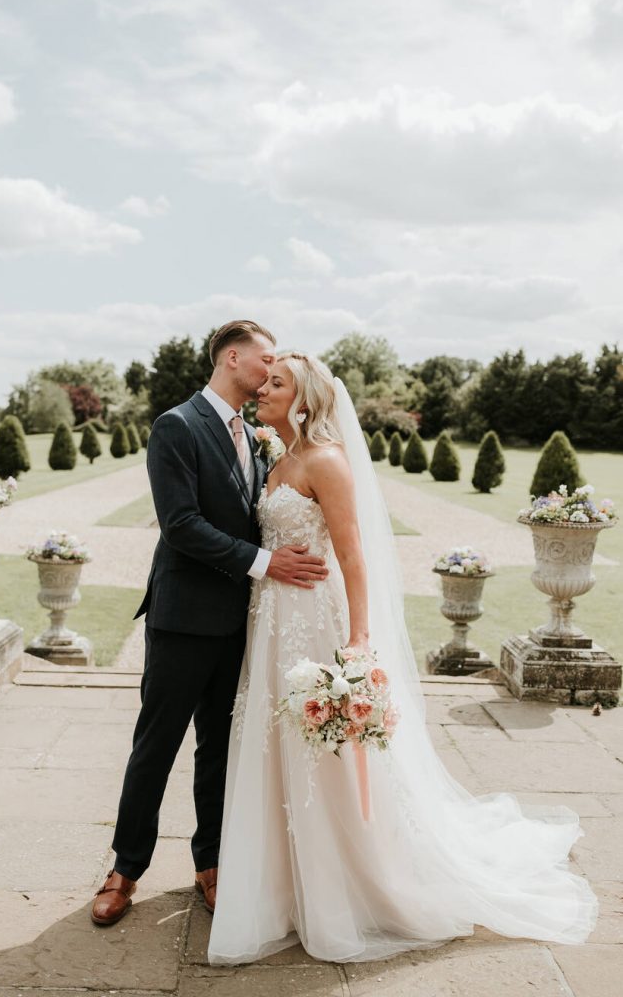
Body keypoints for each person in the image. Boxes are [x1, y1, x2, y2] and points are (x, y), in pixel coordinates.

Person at [208, 352, 598, 964]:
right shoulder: (280, 458)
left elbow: (354, 556)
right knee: (278, 744)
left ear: (305, 402)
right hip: (274, 622)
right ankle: (283, 883)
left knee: (325, 751)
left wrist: (359, 642)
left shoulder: (327, 461)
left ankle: (354, 877)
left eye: (276, 383)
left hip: (315, 623)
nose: (262, 387)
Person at [91, 323, 329, 926]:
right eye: (265, 359)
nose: (271, 371)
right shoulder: (176, 425)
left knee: (221, 751)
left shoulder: (257, 436)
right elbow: (180, 524)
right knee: (156, 747)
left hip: (242, 624)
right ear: (232, 356)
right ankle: (125, 869)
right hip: (181, 619)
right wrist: (267, 563)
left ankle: (212, 864)